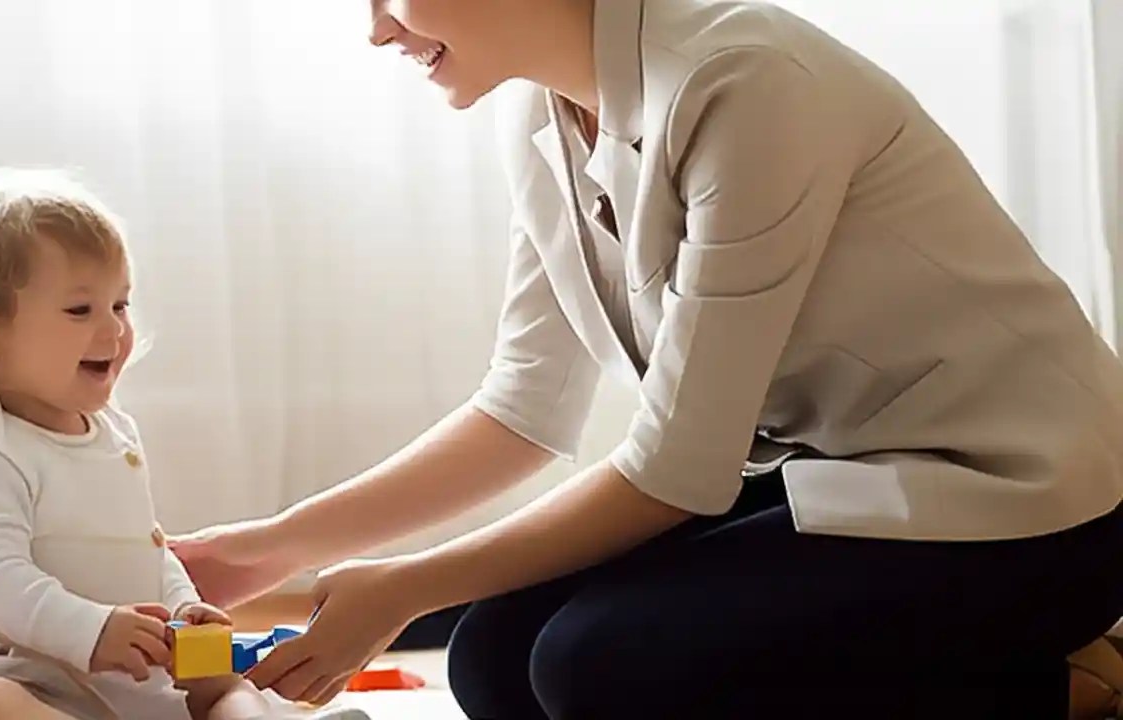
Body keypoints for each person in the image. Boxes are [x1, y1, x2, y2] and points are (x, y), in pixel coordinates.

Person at [171, 1, 1123, 718]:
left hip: (1030, 505)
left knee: (597, 667)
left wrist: (405, 584)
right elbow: (524, 407)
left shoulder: (746, 81)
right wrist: (256, 551)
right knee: (493, 656)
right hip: (846, 477)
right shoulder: (543, 116)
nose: (377, 29)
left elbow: (673, 466)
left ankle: (1057, 684)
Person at [0, 169, 366, 720]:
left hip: (114, 675)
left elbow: (147, 548)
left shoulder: (114, 434)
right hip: (7, 667)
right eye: (80, 310)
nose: (113, 332)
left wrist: (184, 605)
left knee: (224, 684)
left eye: (120, 305)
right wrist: (94, 630)